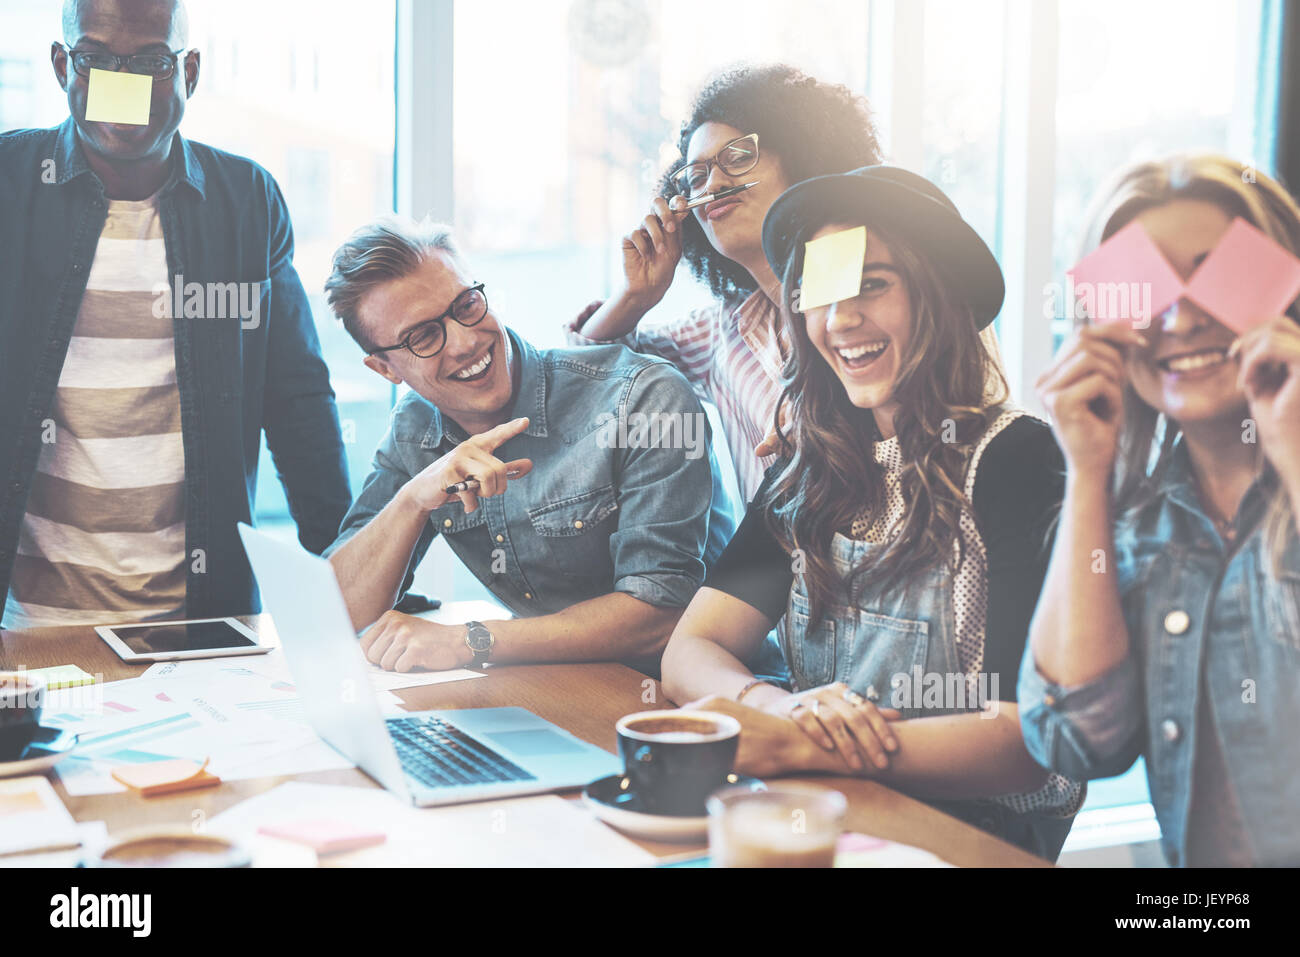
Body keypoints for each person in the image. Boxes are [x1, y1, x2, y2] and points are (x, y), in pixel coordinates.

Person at [661, 166, 1083, 859]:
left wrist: (802, 744)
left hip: (969, 840)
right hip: (828, 813)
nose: (841, 320)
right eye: (819, 295)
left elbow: (1025, 742)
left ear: (936, 294)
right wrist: (778, 708)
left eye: (873, 285)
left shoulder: (1018, 459)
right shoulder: (811, 467)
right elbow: (689, 651)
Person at [0, 0, 350, 629]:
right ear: (61, 66)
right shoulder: (9, 183)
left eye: (150, 64)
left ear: (189, 72)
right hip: (29, 628)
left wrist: (352, 579)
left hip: (201, 626)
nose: (123, 87)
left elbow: (297, 402)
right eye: (96, 59)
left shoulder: (246, 201)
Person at [1019, 155, 1300, 867]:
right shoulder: (1136, 531)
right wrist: (1088, 470)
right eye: (1147, 291)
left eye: (1215, 277)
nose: (1182, 316)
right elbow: (1073, 738)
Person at [323, 217, 731, 676]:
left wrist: (471, 641)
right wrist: (413, 499)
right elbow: (336, 612)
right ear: (385, 369)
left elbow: (660, 616)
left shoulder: (642, 398)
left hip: (691, 698)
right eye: (423, 337)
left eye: (466, 305)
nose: (465, 341)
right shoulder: (415, 428)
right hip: (552, 690)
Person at [566, 64, 882, 504]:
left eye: (737, 157)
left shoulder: (876, 283)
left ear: (803, 157)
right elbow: (585, 379)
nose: (713, 183)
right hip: (779, 551)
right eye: (696, 178)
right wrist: (635, 296)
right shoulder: (721, 332)